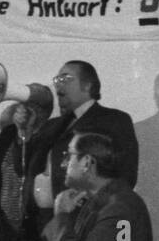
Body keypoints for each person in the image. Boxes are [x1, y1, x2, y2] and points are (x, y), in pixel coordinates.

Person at [32, 60, 139, 216]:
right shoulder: (52, 125)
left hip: (88, 216)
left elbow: (126, 174)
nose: (58, 85)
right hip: (50, 219)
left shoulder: (114, 119)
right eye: (56, 80)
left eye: (65, 78)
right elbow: (30, 167)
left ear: (87, 85)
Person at [40, 131, 152, 241]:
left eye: (68, 155)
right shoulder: (99, 201)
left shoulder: (121, 209)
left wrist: (61, 215)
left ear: (87, 162)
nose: (63, 164)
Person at [0, 84, 54, 241]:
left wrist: (26, 133)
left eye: (33, 107)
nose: (26, 111)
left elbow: (26, 169)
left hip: (36, 233)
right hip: (4, 230)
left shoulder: (53, 137)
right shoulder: (8, 134)